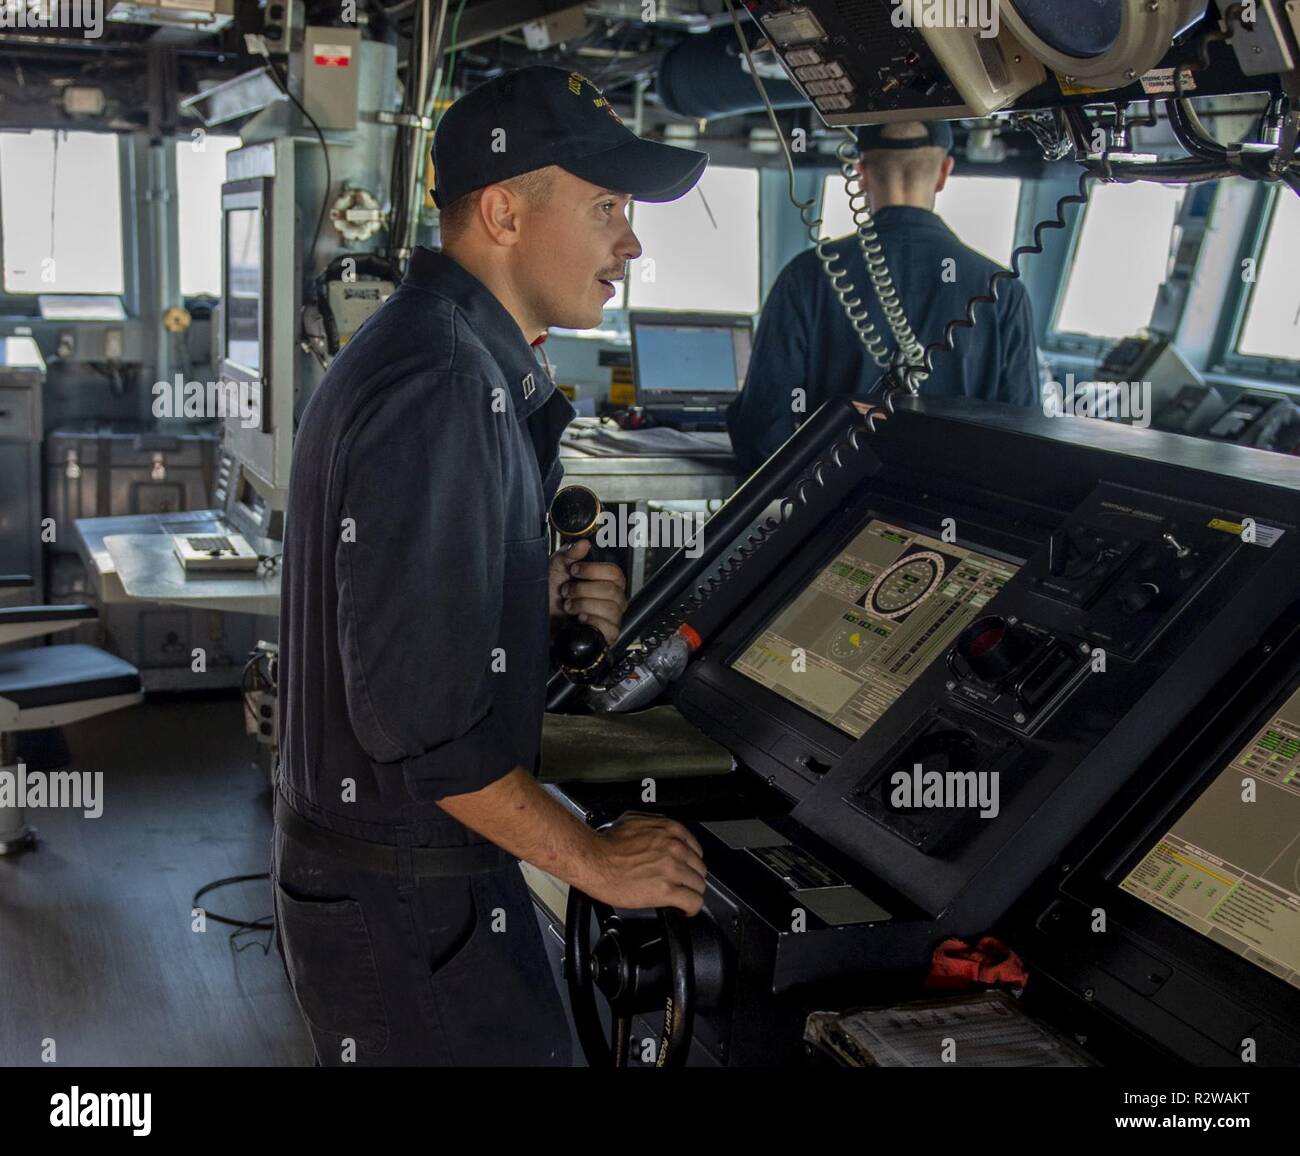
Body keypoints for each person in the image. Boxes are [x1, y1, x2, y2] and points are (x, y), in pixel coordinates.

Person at [273, 66, 710, 1067]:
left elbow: (408, 650)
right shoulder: (441, 384)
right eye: (606, 207)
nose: (629, 242)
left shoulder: (445, 354)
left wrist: (528, 612)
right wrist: (595, 858)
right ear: (505, 213)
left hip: (399, 887)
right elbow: (422, 730)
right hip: (410, 905)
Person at [726, 121, 1041, 476]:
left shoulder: (808, 275)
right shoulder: (1002, 289)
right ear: (944, 173)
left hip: (834, 513)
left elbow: (763, 428)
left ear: (859, 173)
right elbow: (1023, 437)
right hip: (952, 518)